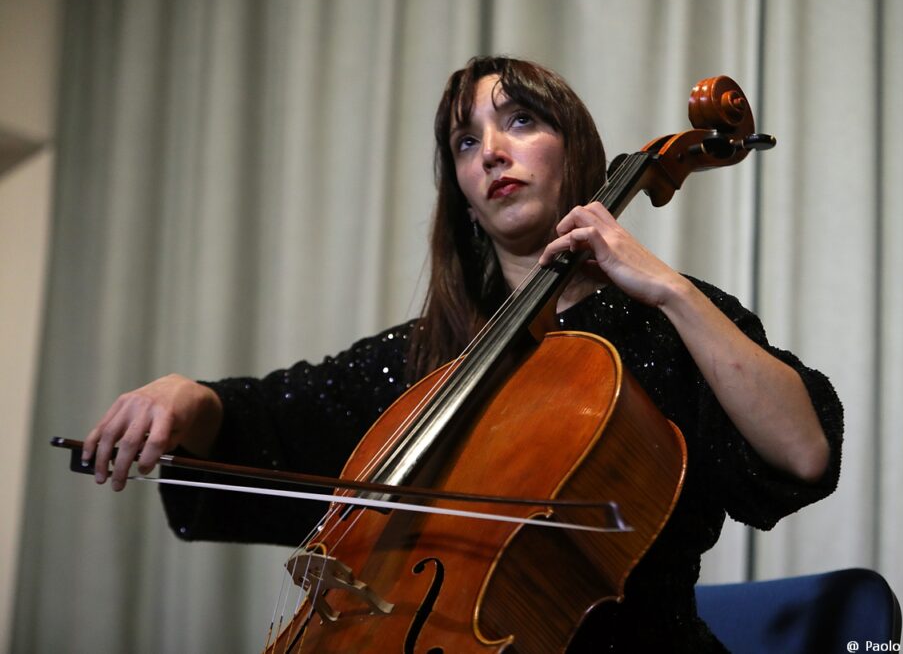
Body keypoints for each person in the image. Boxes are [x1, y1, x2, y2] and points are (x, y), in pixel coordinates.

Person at [83, 56, 843, 652]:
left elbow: (802, 452)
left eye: (520, 121)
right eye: (466, 141)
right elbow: (272, 420)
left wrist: (671, 290)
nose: (493, 153)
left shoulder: (669, 322)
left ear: (573, 148)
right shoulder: (433, 359)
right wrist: (190, 398)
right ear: (461, 191)